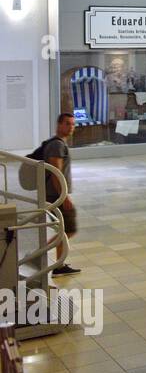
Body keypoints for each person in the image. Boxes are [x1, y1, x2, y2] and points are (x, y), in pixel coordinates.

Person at [43, 112, 80, 276]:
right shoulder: (57, 145)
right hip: (55, 196)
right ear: (59, 125)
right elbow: (56, 172)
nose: (71, 127)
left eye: (73, 124)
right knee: (69, 229)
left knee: (64, 230)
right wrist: (64, 197)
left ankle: (58, 264)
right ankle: (39, 253)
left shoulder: (58, 144)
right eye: (67, 123)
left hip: (55, 195)